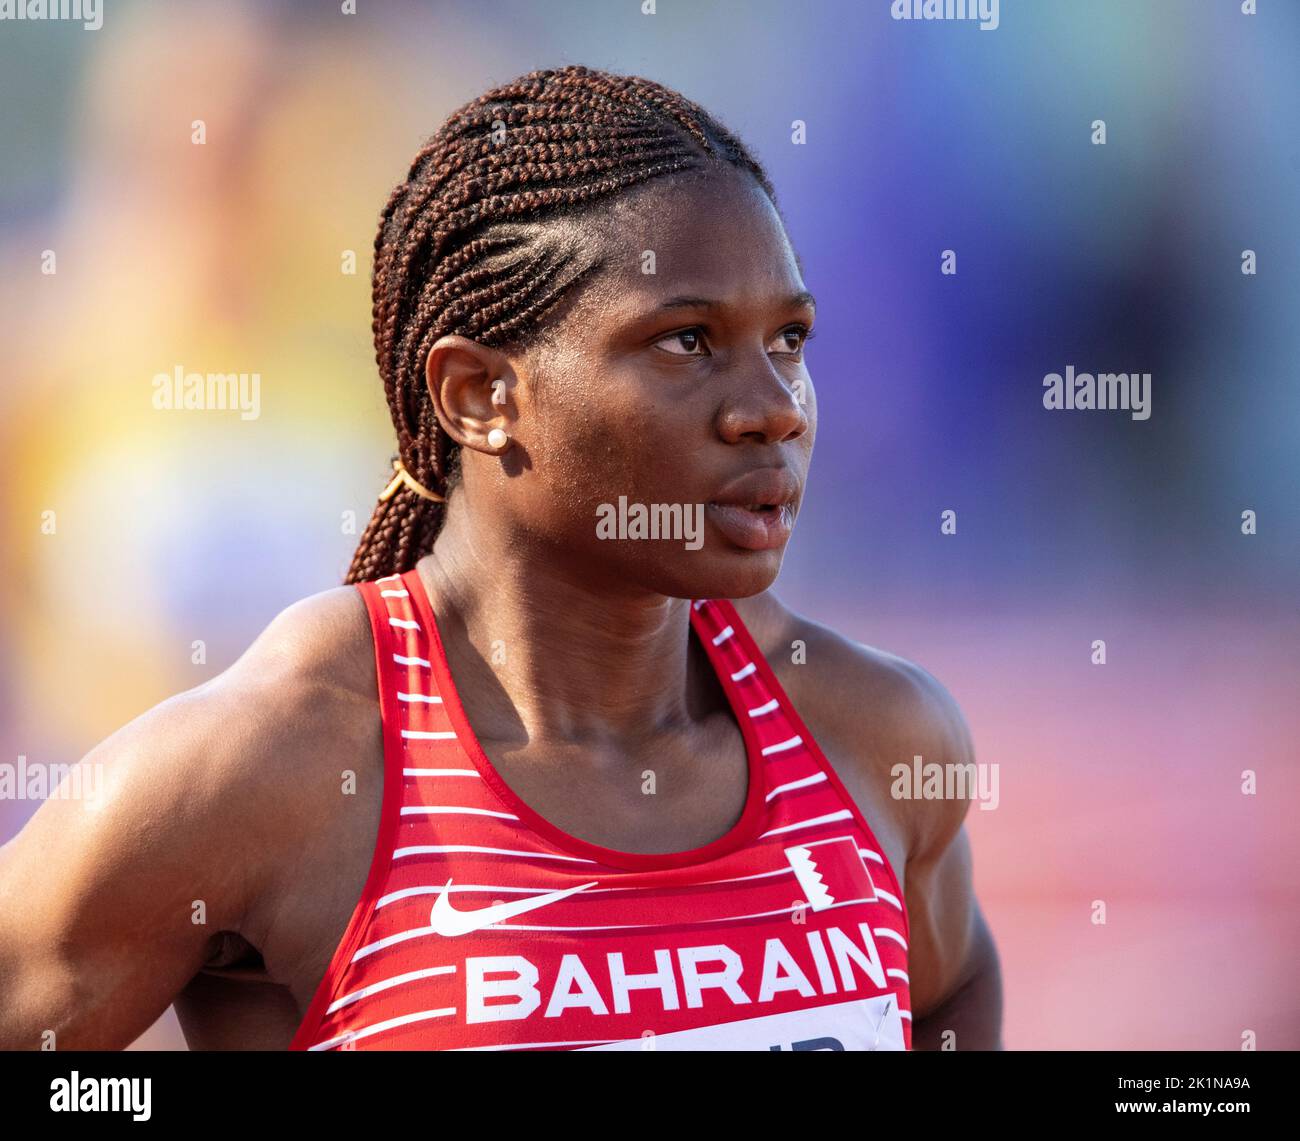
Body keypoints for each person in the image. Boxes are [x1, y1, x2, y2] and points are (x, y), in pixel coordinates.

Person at [0, 64, 1001, 1051]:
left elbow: (953, 984)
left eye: (788, 338)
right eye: (688, 341)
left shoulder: (871, 735)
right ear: (478, 395)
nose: (774, 407)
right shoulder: (275, 774)